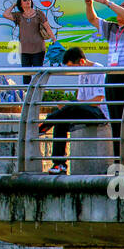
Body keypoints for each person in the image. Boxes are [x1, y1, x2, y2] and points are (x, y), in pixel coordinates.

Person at [84, 0, 124, 158]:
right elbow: (92, 19)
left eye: (123, 7)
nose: (118, 8)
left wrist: (108, 3)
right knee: (116, 122)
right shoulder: (112, 28)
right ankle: (119, 161)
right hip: (111, 76)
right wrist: (89, 4)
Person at [38, 46, 107, 175]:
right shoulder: (81, 73)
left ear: (81, 62)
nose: (73, 71)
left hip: (99, 113)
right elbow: (79, 101)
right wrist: (69, 105)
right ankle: (59, 164)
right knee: (61, 120)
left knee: (69, 108)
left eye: (73, 67)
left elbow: (97, 101)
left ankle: (46, 124)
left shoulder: (98, 70)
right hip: (85, 111)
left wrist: (71, 105)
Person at [9, 0, 56, 72]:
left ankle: (38, 85)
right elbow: (5, 14)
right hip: (25, 50)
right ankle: (28, 86)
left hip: (38, 49)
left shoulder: (39, 13)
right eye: (24, 0)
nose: (28, 1)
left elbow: (47, 27)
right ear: (21, 4)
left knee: (38, 74)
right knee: (26, 75)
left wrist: (54, 39)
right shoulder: (18, 16)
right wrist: (14, 5)